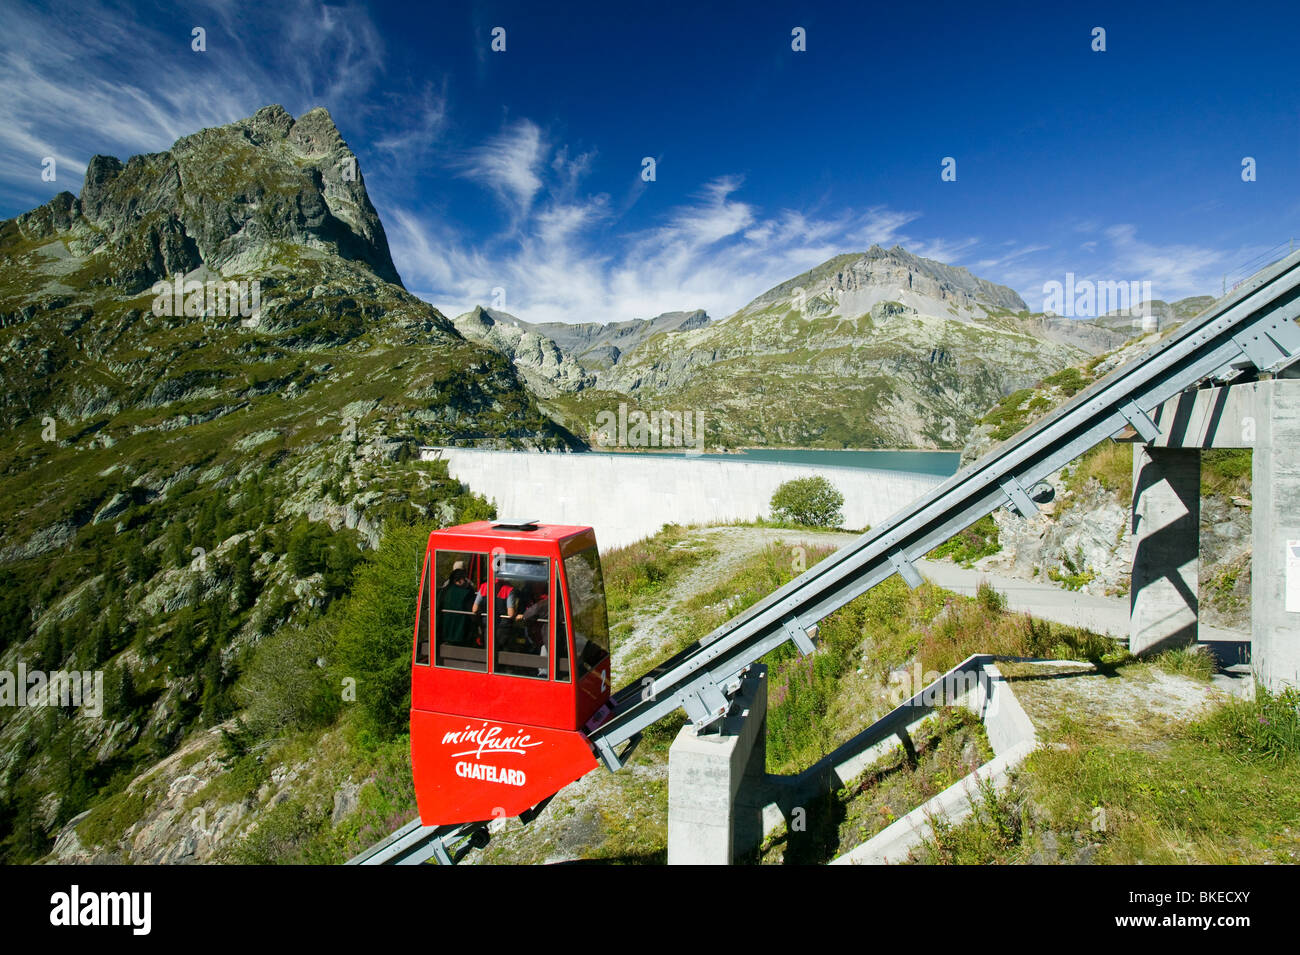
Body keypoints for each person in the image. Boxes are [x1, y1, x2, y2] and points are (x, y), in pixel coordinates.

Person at [437, 564, 477, 646]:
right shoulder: (467, 593)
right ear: (459, 580)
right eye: (463, 579)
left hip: (444, 632)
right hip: (461, 634)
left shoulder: (443, 591)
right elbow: (472, 613)